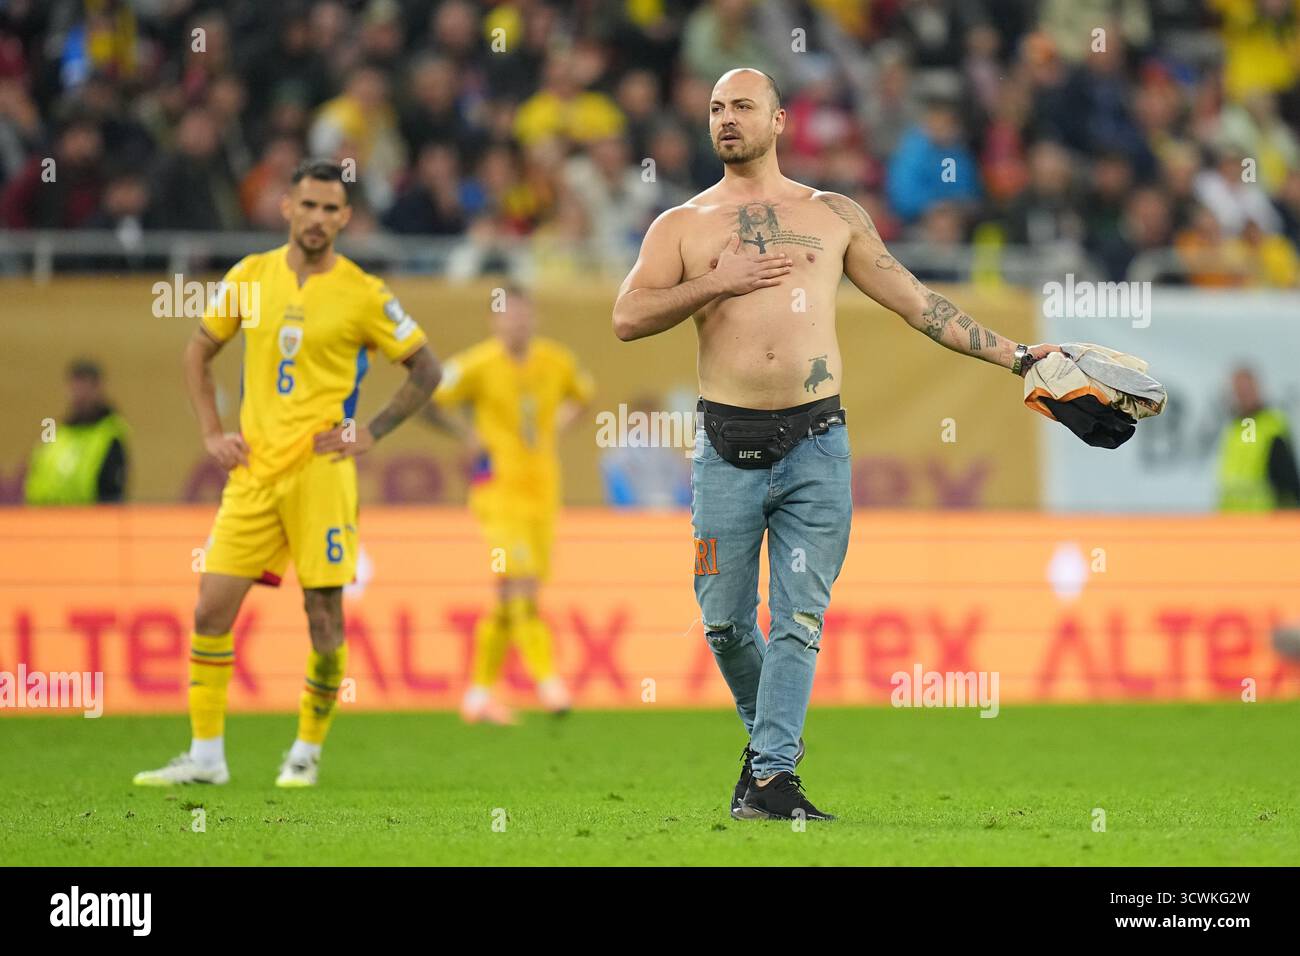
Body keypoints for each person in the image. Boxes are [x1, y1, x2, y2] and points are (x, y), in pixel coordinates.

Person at [613, 68, 1060, 821]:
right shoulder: (682, 226)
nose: (726, 120)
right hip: (724, 447)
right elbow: (628, 316)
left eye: (743, 107)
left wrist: (1021, 358)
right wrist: (716, 283)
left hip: (816, 444)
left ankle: (773, 779)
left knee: (797, 619)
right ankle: (766, 760)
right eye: (717, 109)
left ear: (780, 120)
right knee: (723, 622)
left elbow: (919, 304)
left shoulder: (832, 216)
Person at [134, 160, 441, 788]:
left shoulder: (364, 291)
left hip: (322, 475)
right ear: (287, 208)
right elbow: (197, 350)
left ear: (346, 218)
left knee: (323, 620)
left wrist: (372, 430)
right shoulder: (249, 277)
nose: (319, 219)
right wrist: (211, 433)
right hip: (253, 474)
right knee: (209, 611)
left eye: (331, 210)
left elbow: (426, 370)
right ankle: (207, 757)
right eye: (309, 206)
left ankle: (305, 751)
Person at [423, 286, 593, 724]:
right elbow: (428, 398)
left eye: (524, 316)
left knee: (506, 595)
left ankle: (478, 693)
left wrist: (559, 424)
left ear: (533, 318)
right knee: (521, 582)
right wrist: (466, 435)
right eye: (508, 316)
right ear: (493, 321)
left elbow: (584, 395)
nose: (517, 323)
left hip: (543, 493)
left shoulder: (555, 361)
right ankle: (548, 682)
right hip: (497, 492)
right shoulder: (475, 365)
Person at [24, 360, 129, 505]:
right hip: (43, 522)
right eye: (75, 387)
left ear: (98, 388)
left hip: (87, 523)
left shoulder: (110, 435)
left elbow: (111, 496)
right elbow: (36, 477)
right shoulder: (57, 433)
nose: (79, 394)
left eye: (85, 387)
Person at [1216, 366, 1300, 511]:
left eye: (1246, 389)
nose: (1242, 394)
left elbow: (1287, 479)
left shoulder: (1272, 425)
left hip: (1262, 521)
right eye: (1237, 390)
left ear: (1258, 389)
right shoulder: (1234, 427)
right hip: (1230, 522)